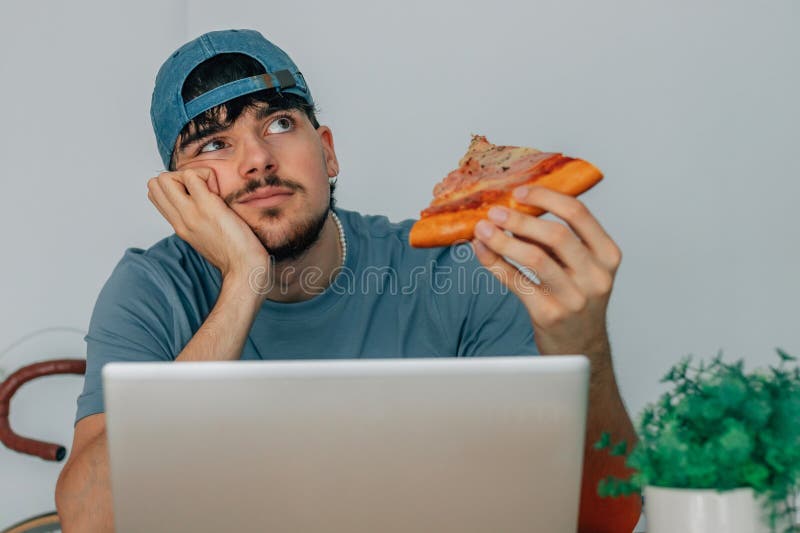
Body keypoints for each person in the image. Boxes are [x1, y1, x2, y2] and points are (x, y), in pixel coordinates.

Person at [55, 29, 640, 532]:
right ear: (177, 193)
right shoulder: (152, 289)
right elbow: (90, 521)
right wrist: (244, 282)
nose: (257, 160)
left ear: (327, 152)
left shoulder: (456, 272)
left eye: (279, 123)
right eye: (214, 144)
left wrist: (584, 342)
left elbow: (604, 519)